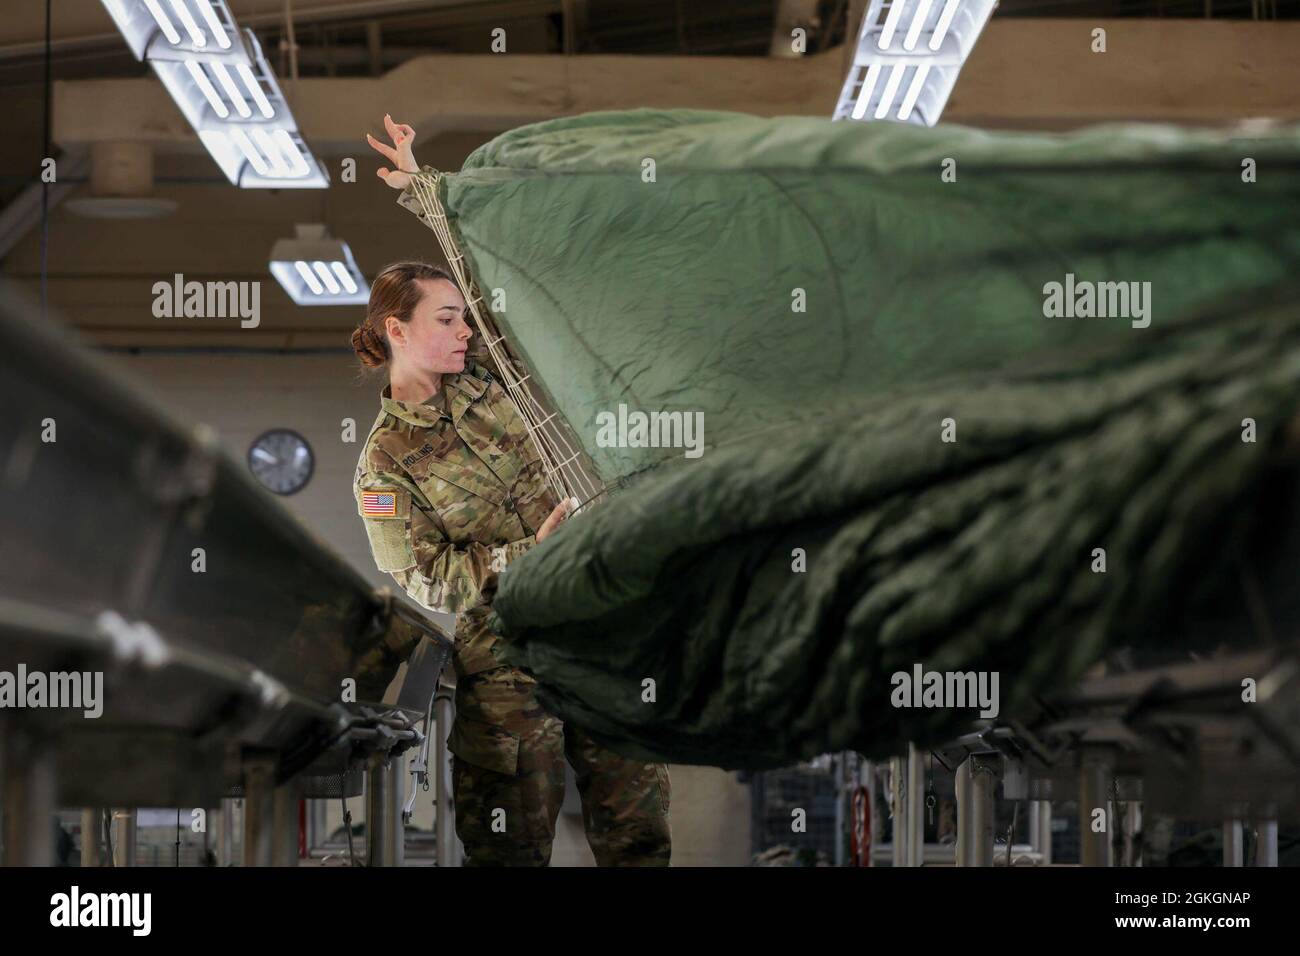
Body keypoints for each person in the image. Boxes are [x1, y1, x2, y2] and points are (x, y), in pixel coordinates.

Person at [350, 114, 671, 866]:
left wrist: (424, 190)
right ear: (397, 330)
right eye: (446, 319)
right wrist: (532, 551)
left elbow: (490, 275)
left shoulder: (494, 377)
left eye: (465, 318)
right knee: (510, 846)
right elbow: (422, 576)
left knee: (638, 833)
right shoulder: (385, 463)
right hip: (507, 663)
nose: (465, 329)